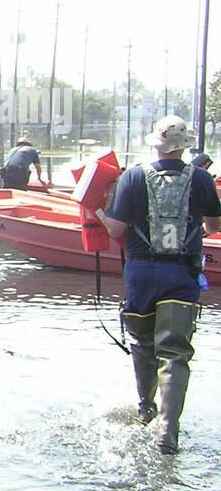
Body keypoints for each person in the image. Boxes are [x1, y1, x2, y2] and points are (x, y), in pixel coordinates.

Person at [97, 115, 221, 454]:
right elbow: (214, 226)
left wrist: (98, 212)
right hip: (182, 276)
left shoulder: (134, 176)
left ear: (156, 144)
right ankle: (168, 433)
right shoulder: (202, 179)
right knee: (175, 354)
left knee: (142, 344)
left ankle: (145, 410)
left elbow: (116, 230)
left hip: (141, 274)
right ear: (184, 147)